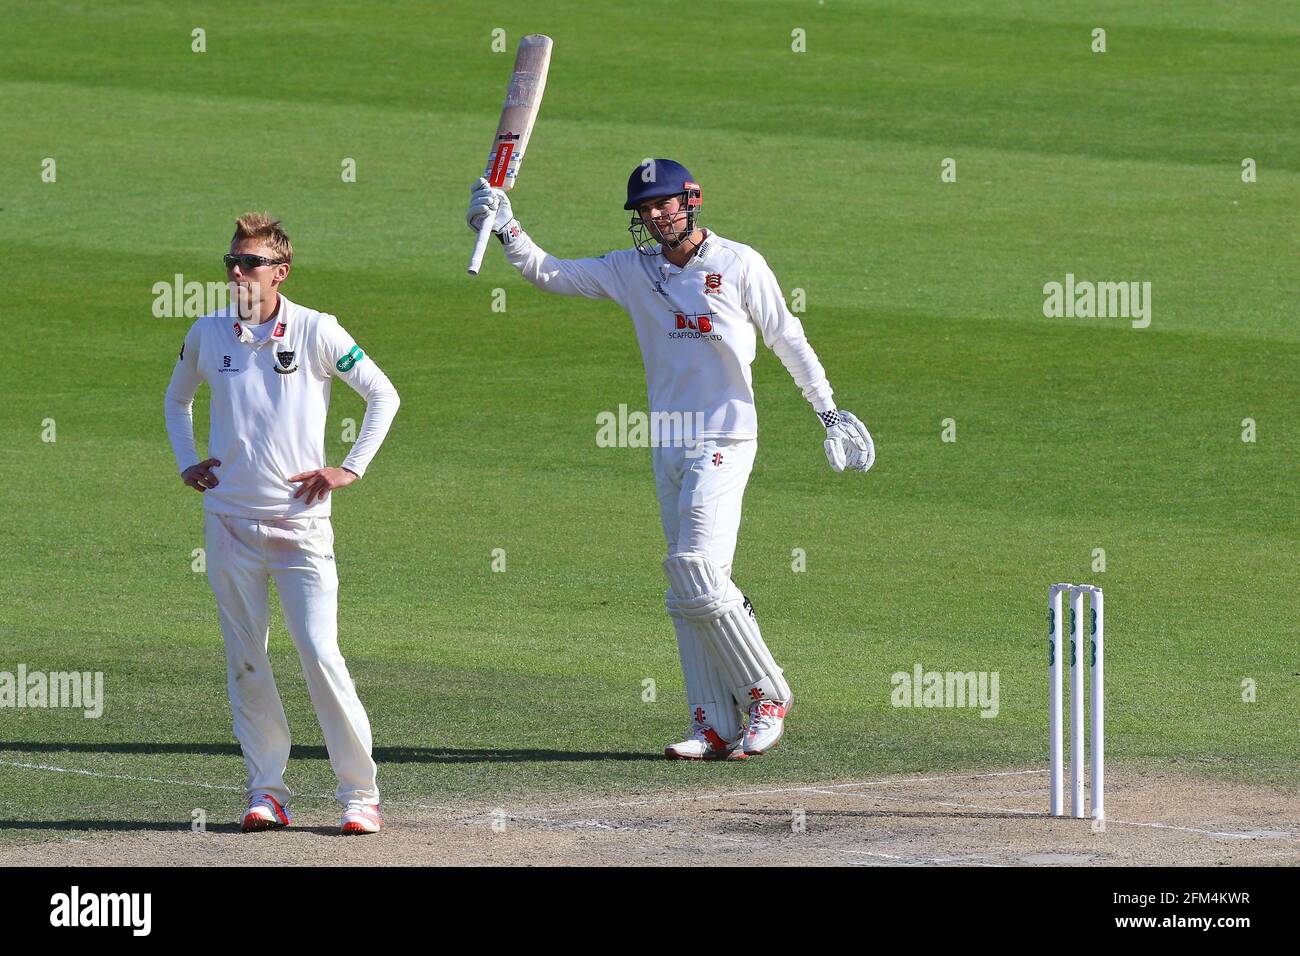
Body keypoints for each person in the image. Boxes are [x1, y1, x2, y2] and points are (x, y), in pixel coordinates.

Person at [465, 160, 874, 759]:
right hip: (668, 442)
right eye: (644, 209)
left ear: (692, 200)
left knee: (696, 567)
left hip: (726, 438)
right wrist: (506, 227)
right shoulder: (634, 269)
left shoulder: (738, 263)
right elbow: (552, 274)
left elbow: (787, 336)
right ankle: (710, 722)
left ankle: (766, 696)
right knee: (688, 586)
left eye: (664, 204)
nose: (655, 217)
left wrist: (829, 411)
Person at [164, 213, 400, 832]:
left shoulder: (319, 330)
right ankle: (266, 791)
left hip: (300, 528)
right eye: (232, 263)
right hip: (230, 523)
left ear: (281, 271)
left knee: (320, 655)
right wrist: (188, 461)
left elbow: (384, 395)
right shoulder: (208, 333)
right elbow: (176, 398)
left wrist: (349, 468)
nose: (238, 273)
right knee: (246, 660)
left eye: (251, 264)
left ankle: (359, 794)